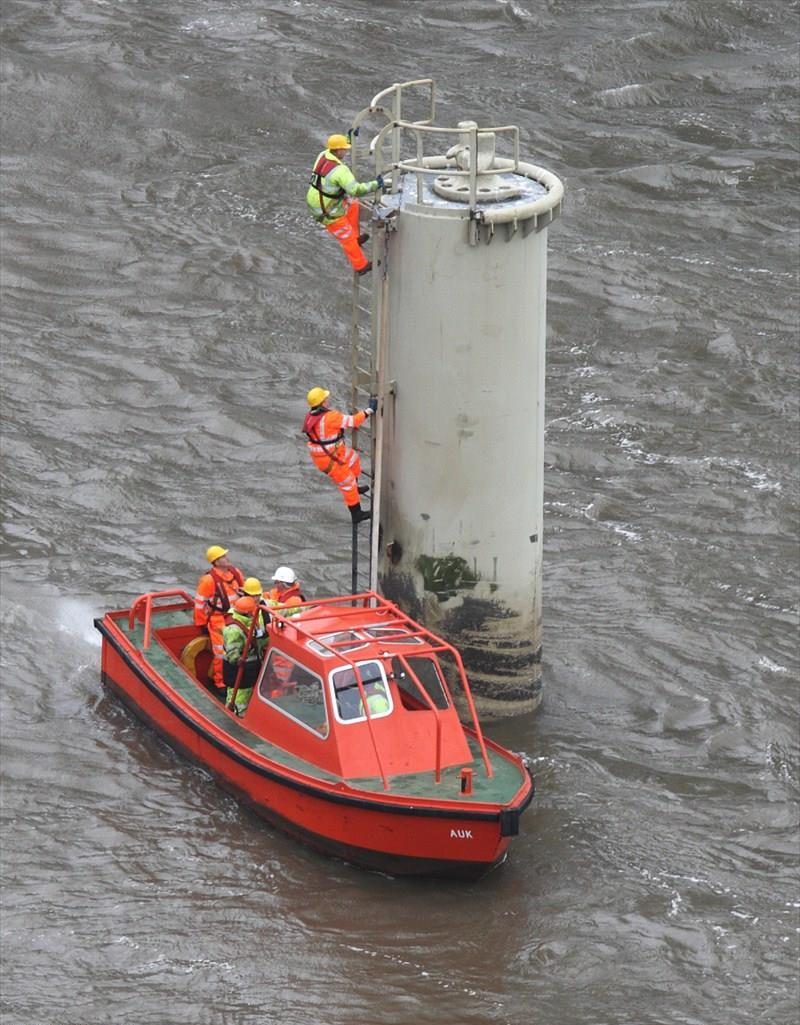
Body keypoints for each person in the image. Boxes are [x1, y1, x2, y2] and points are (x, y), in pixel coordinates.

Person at [306, 133, 384, 275]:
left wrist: (348, 138)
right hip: (325, 210)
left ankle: (355, 239)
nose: (346, 151)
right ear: (339, 150)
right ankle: (361, 266)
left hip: (318, 198)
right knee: (346, 237)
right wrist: (375, 184)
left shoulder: (323, 155)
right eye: (345, 148)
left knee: (353, 205)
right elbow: (356, 190)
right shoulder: (340, 171)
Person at [302, 387, 377, 524]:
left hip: (329, 454)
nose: (328, 400)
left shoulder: (312, 416)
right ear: (323, 403)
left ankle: (356, 487)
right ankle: (357, 514)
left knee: (353, 458)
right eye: (326, 399)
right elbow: (353, 421)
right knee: (347, 484)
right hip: (330, 458)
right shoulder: (331, 417)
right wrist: (369, 411)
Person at [194, 545, 245, 695]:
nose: (227, 558)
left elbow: (245, 593)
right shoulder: (208, 580)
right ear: (216, 562)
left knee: (240, 648)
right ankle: (220, 682)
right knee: (221, 653)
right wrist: (202, 624)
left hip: (237, 617)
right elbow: (199, 604)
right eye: (223, 557)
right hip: (218, 620)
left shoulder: (236, 573)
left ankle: (237, 678)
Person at [222, 579, 270, 716]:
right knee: (237, 699)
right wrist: (238, 660)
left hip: (250, 667)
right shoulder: (234, 629)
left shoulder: (248, 619)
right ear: (246, 613)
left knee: (248, 694)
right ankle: (235, 717)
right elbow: (232, 652)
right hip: (238, 670)